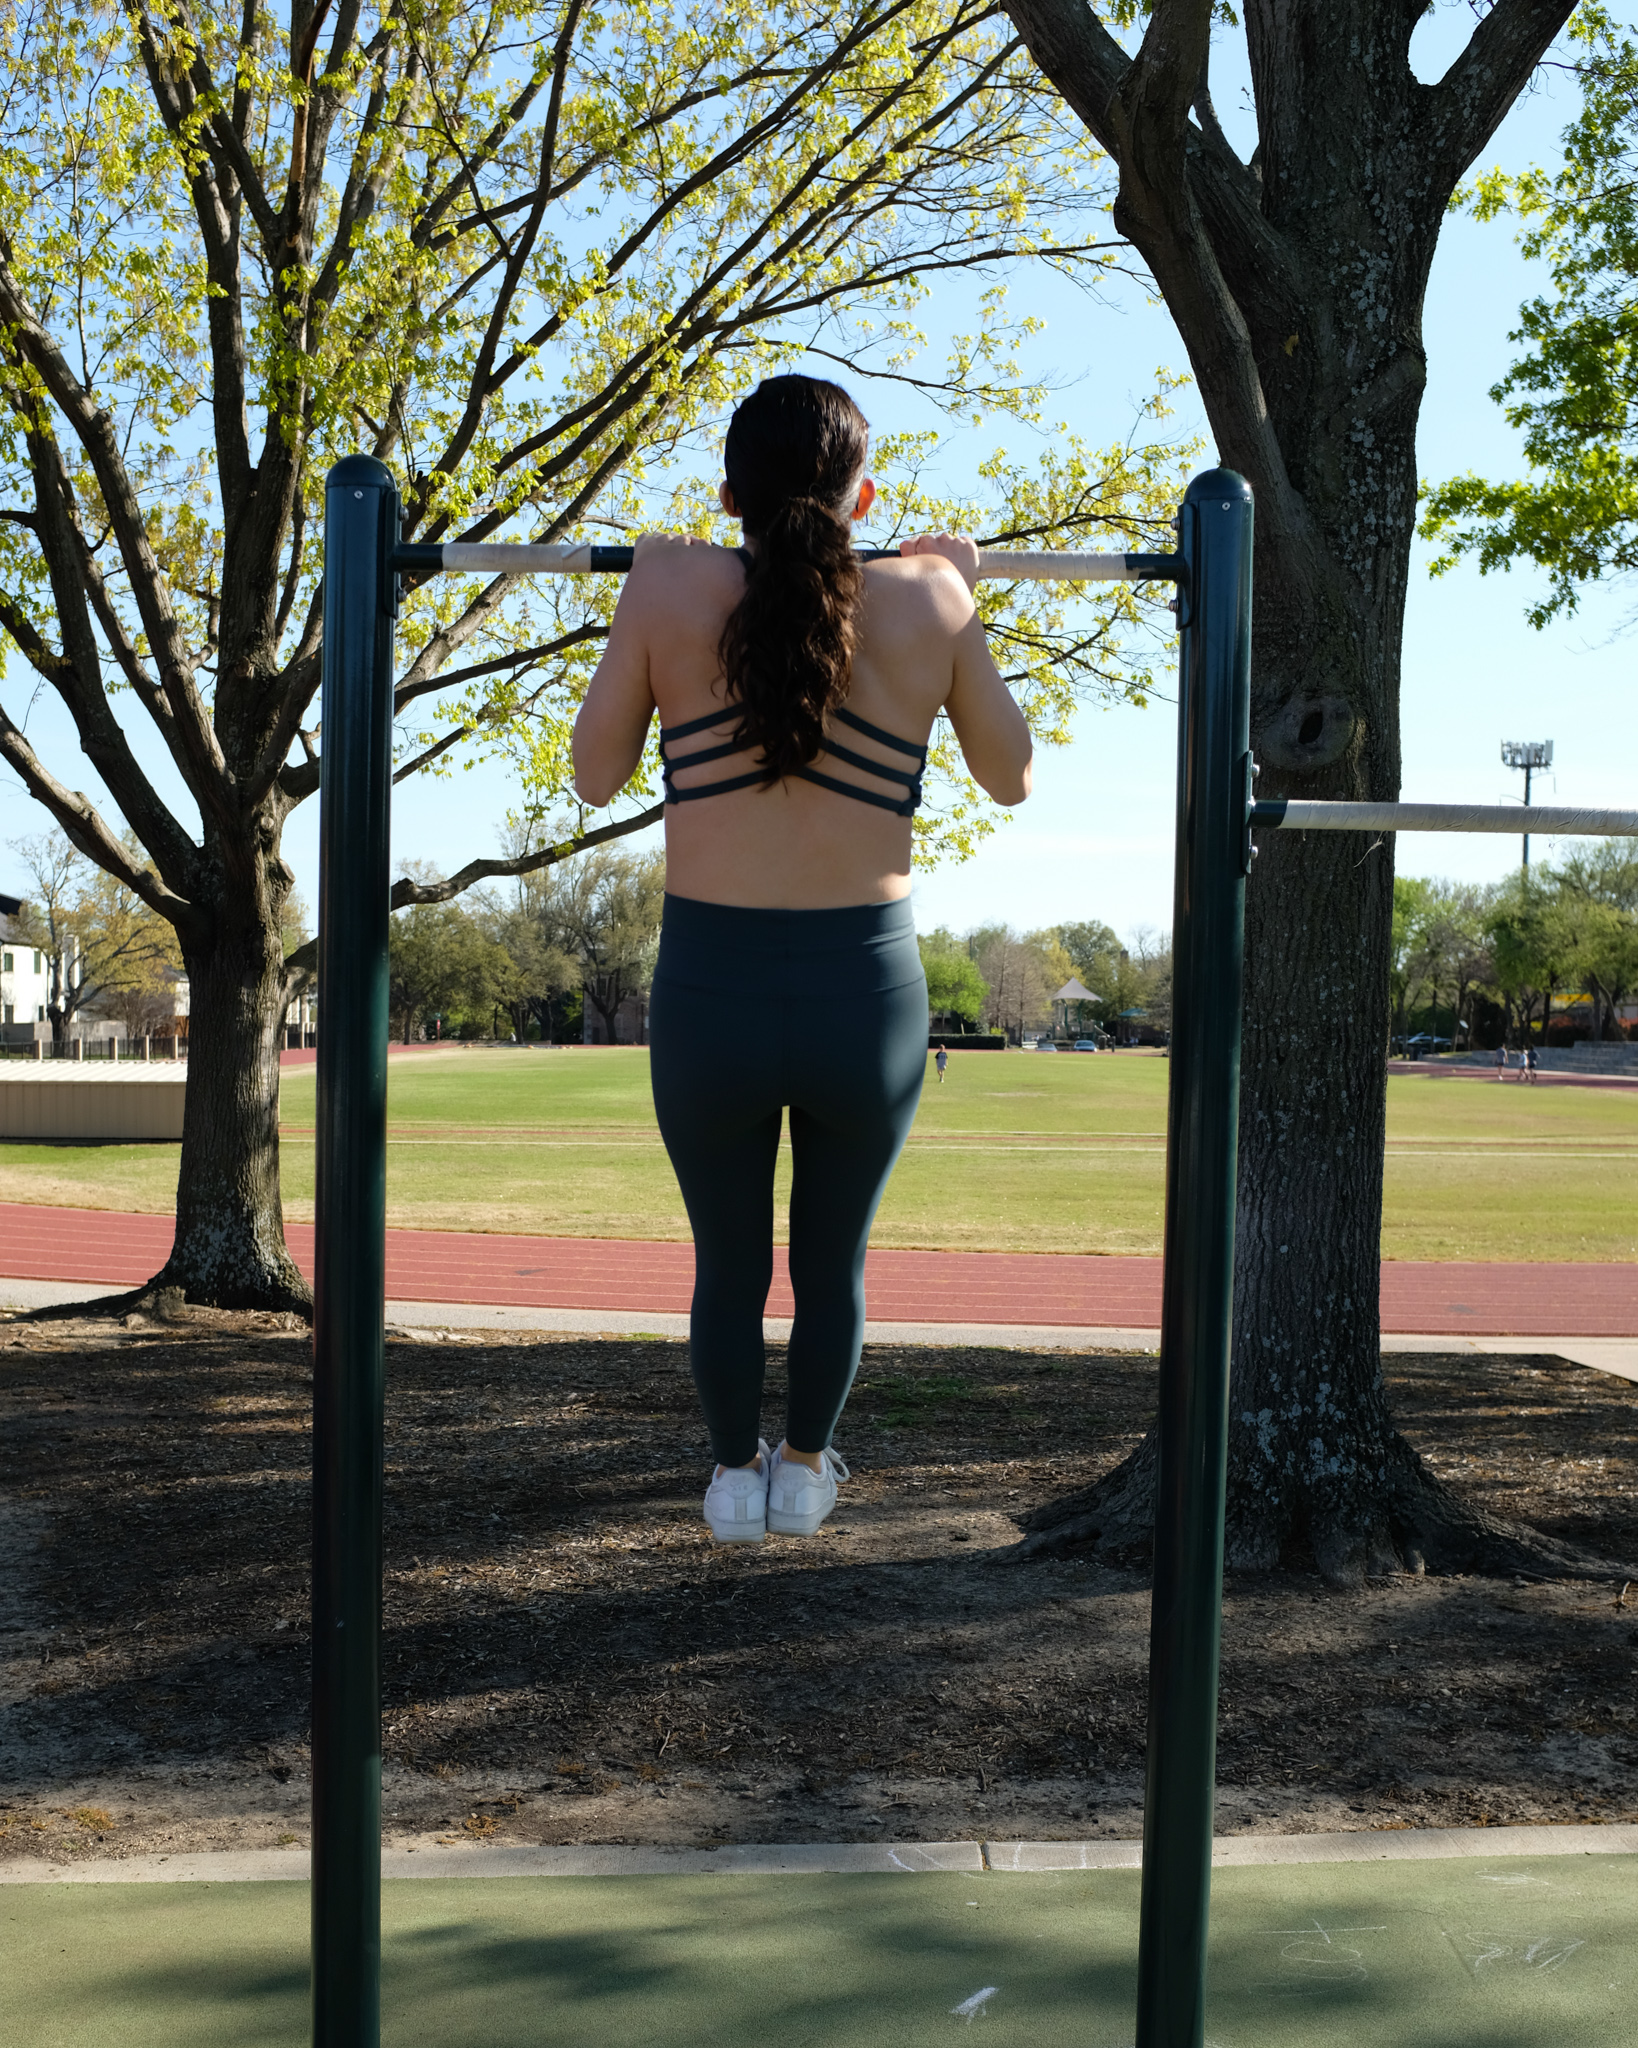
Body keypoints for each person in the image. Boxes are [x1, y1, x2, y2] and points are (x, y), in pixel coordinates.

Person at [573, 374, 1031, 1542]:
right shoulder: (929, 594)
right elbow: (1010, 773)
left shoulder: (668, 584)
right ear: (862, 495)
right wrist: (960, 590)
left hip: (711, 992)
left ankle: (733, 1478)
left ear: (727, 493)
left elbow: (592, 773)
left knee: (727, 1261)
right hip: (864, 994)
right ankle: (807, 1469)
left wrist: (648, 596)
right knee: (833, 1265)